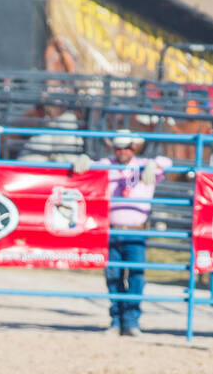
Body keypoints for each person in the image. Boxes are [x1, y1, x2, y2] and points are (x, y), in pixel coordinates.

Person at [73, 131, 171, 336]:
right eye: (119, 148)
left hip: (136, 231)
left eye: (126, 147)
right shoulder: (107, 165)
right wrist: (83, 160)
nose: (122, 151)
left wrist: (154, 165)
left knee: (136, 277)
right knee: (113, 276)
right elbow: (87, 166)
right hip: (112, 230)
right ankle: (117, 320)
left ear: (133, 148)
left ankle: (131, 320)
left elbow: (168, 161)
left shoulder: (145, 164)